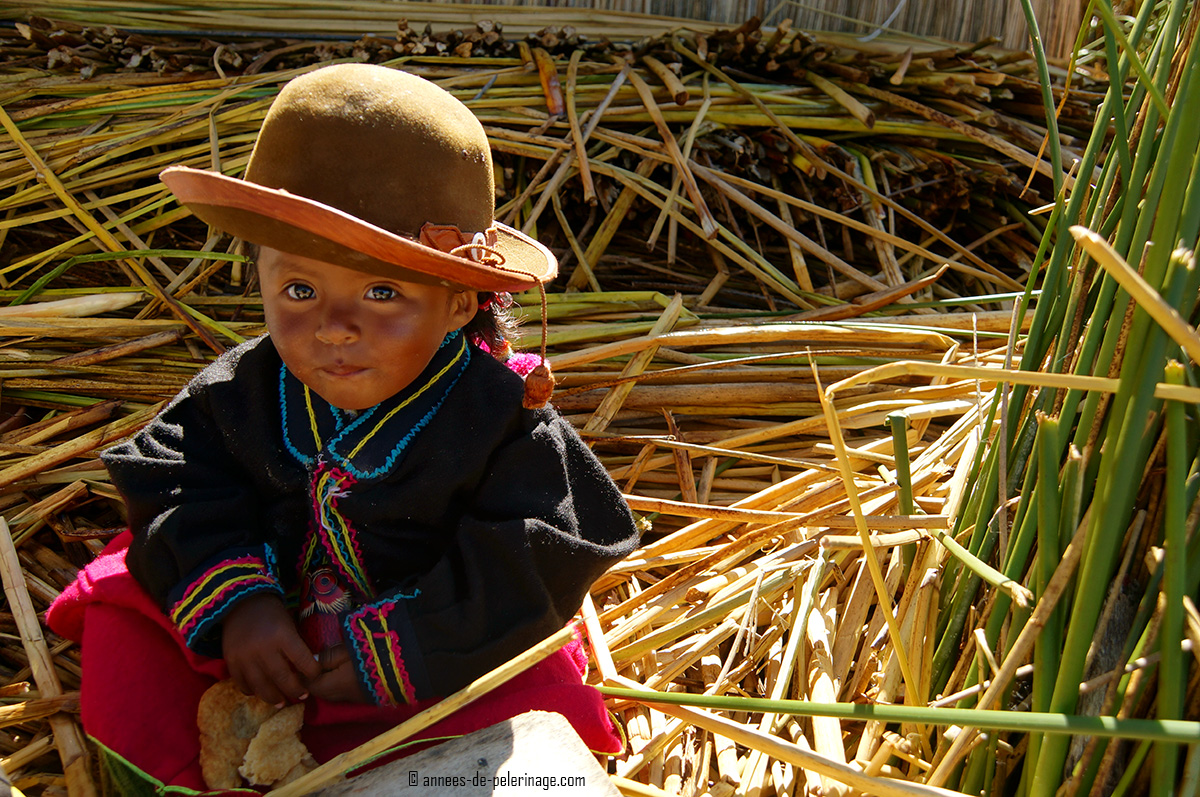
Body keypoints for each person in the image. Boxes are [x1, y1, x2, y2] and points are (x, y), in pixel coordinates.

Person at [47, 63, 639, 791]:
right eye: (298, 288)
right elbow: (177, 480)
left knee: (525, 729)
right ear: (258, 273)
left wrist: (394, 651)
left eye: (382, 291)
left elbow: (534, 553)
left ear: (460, 302)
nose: (332, 327)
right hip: (262, 647)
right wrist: (242, 604)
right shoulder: (243, 390)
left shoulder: (496, 419)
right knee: (123, 627)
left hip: (431, 666)